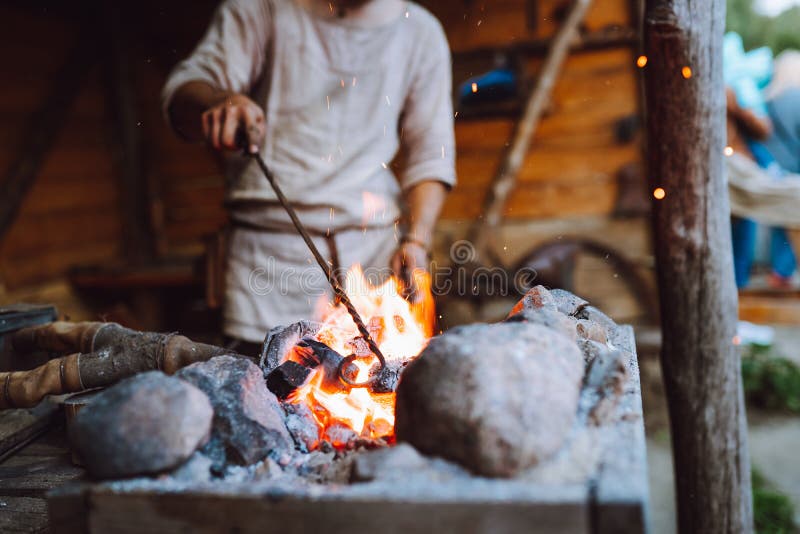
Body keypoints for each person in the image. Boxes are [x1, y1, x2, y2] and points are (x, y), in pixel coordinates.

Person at [162, 0, 456, 353]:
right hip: (271, 268)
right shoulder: (262, 8)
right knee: (265, 397)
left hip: (373, 258)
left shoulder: (419, 31)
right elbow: (186, 91)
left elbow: (431, 152)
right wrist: (218, 99)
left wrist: (417, 239)